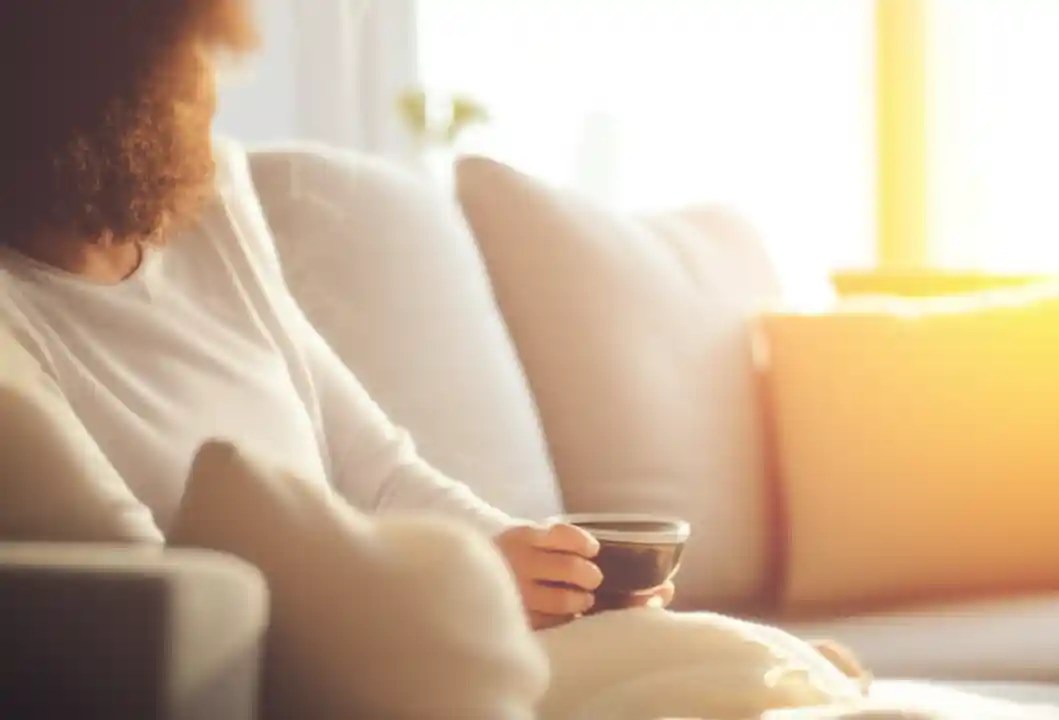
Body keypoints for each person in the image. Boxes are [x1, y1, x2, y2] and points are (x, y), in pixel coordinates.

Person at [0, 0, 671, 631]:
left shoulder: (213, 209)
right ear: (91, 96)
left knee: (715, 654)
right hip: (335, 668)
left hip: (428, 628)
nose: (213, 88)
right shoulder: (16, 327)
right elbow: (171, 610)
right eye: (189, 58)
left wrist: (537, 562)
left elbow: (377, 472)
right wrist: (459, 592)